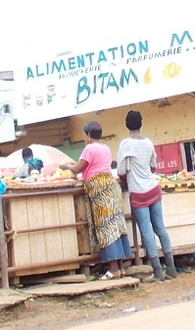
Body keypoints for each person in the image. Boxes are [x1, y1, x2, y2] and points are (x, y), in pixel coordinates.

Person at [117, 110, 176, 281]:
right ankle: (171, 268)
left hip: (138, 192)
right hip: (153, 188)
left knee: (147, 232)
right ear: (141, 124)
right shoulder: (149, 143)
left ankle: (157, 271)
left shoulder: (125, 145)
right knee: (160, 228)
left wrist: (126, 175)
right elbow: (153, 167)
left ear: (127, 125)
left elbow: (121, 170)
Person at [74, 120, 132, 279]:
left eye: (84, 135)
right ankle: (120, 267)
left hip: (100, 190)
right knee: (116, 225)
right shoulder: (105, 147)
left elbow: (77, 168)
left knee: (107, 228)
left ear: (88, 135)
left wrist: (66, 166)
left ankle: (113, 269)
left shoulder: (89, 148)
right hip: (112, 187)